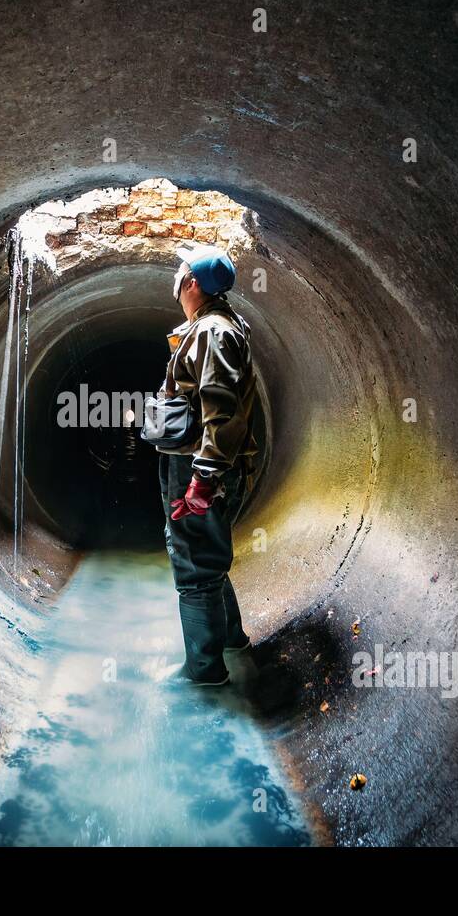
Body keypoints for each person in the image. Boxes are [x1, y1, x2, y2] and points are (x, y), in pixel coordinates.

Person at [155, 245, 259, 686]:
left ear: (192, 282)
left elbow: (222, 409)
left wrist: (203, 480)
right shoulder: (214, 326)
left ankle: (204, 671)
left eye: (182, 270)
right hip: (204, 465)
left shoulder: (213, 333)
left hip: (200, 469)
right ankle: (232, 639)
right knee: (209, 556)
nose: (176, 277)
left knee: (195, 566)